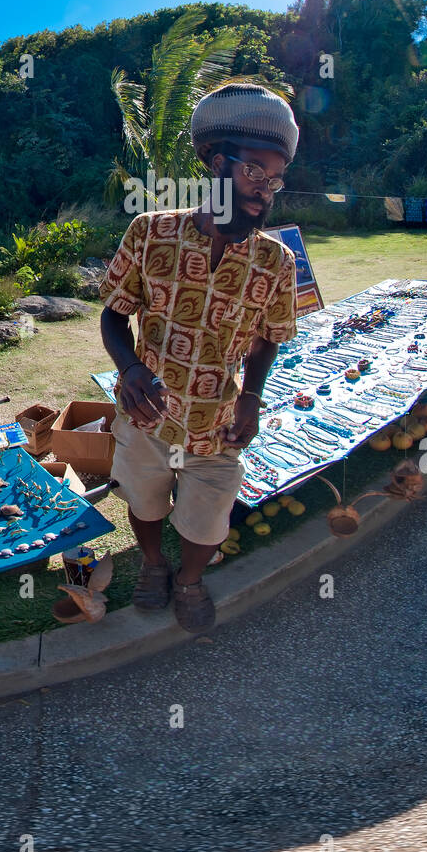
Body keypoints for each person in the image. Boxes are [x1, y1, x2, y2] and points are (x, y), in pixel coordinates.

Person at [96, 83, 303, 634]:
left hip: (217, 419)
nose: (264, 189)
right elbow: (114, 315)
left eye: (275, 179)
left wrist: (251, 397)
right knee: (144, 498)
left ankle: (189, 579)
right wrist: (130, 369)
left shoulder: (277, 262)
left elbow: (268, 338)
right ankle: (154, 564)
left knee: (209, 518)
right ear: (215, 162)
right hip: (146, 412)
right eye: (254, 171)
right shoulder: (150, 232)